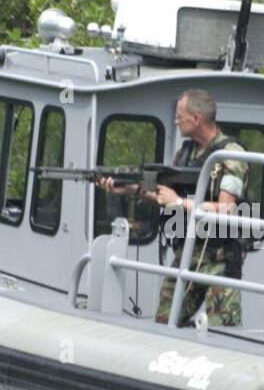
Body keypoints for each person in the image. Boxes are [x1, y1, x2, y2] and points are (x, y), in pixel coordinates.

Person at [98, 89, 248, 327]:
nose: (176, 121)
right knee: (164, 321)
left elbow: (226, 209)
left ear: (197, 118)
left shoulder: (231, 155)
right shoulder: (186, 153)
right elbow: (163, 197)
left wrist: (179, 203)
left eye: (180, 116)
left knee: (223, 330)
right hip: (187, 252)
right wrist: (131, 189)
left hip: (219, 258)